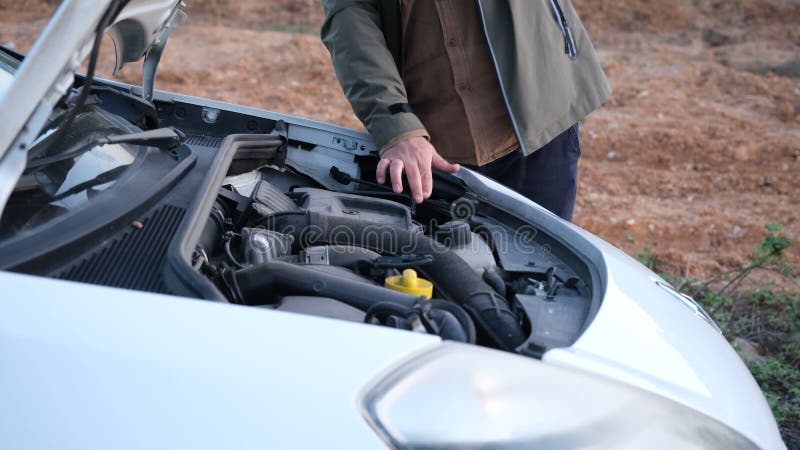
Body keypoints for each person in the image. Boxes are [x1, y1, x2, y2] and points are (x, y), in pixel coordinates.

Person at [320, 0, 610, 221]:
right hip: (426, 153)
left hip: (538, 124)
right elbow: (350, 17)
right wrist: (396, 126)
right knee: (429, 276)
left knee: (546, 273)